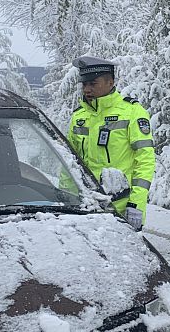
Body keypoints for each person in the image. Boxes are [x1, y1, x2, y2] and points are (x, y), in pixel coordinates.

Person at [66, 56, 155, 230]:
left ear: (110, 82)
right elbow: (69, 164)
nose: (87, 89)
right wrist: (66, 198)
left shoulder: (131, 112)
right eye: (84, 84)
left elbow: (145, 160)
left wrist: (136, 203)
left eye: (93, 84)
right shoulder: (78, 116)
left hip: (120, 210)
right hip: (85, 207)